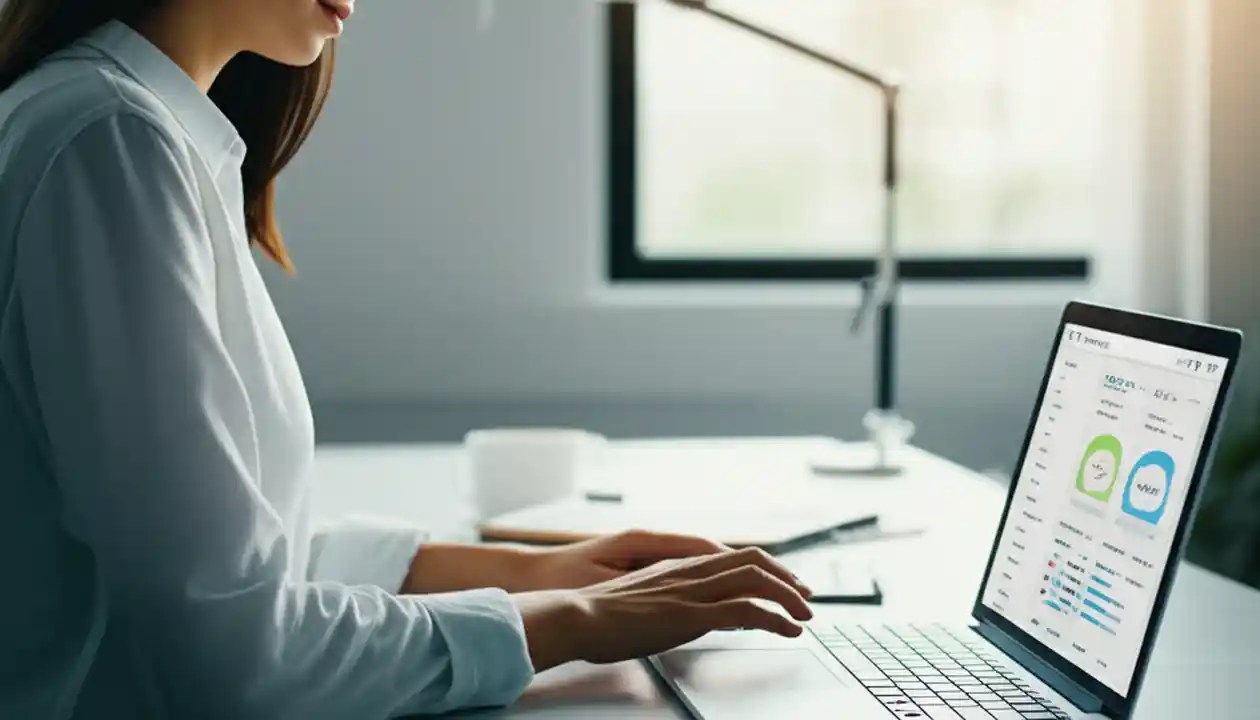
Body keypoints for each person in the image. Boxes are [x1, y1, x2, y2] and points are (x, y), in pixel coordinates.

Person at [0, 1, 814, 717]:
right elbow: (237, 658)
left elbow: (207, 557)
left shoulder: (127, 124)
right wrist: (581, 621)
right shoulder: (107, 139)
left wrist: (540, 572)